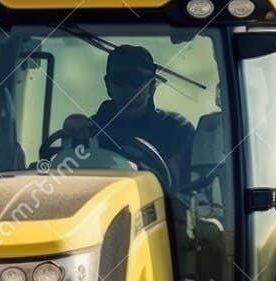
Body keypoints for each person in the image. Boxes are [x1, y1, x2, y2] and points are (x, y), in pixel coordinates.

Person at [68, 45, 194, 189]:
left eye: (135, 78)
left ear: (152, 86)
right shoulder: (87, 131)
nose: (127, 86)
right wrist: (72, 139)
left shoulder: (176, 130)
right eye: (119, 79)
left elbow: (190, 193)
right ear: (108, 84)